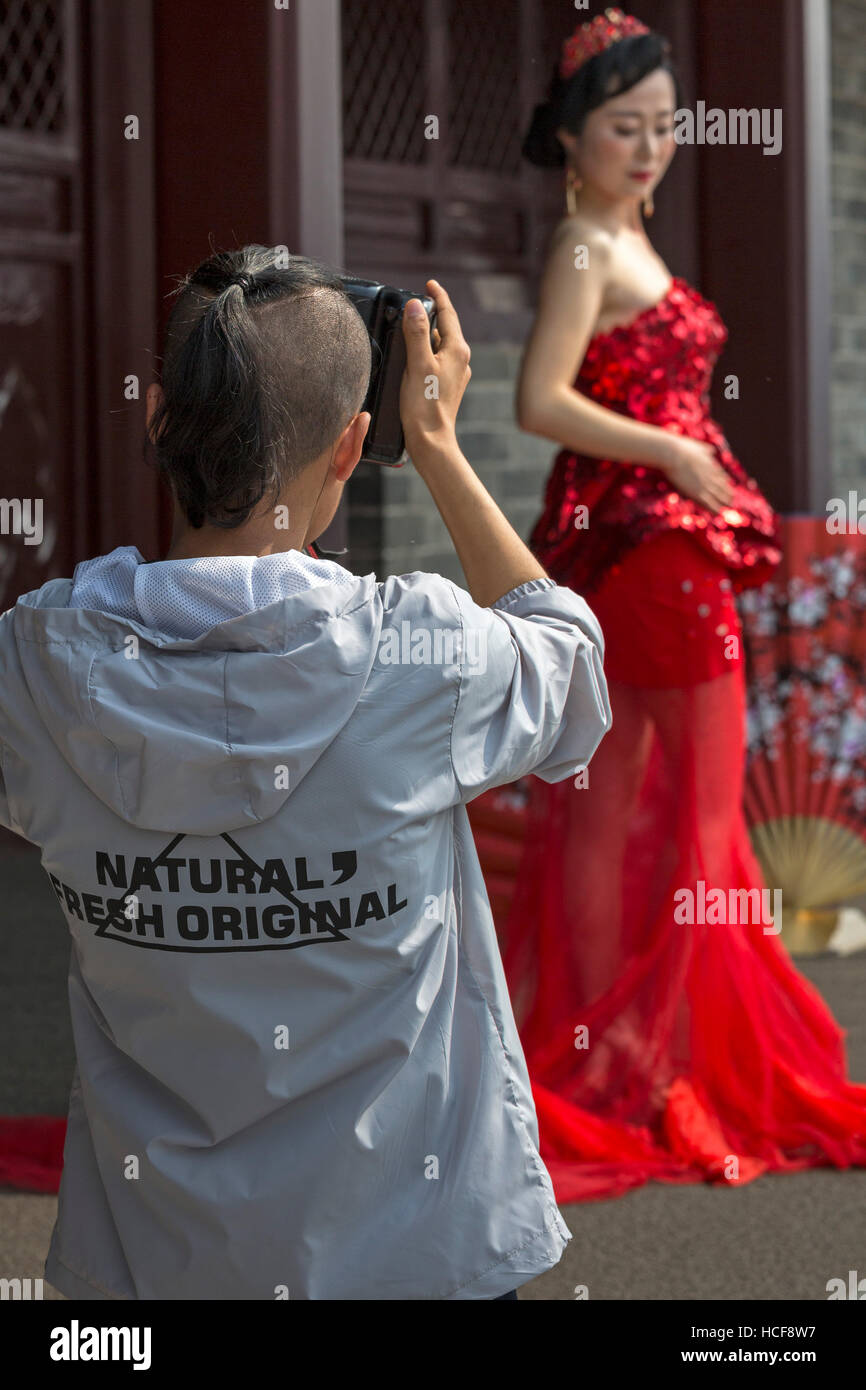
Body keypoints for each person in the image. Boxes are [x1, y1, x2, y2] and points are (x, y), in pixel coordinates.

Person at [0, 246, 612, 1299]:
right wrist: (437, 449)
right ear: (348, 449)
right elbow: (569, 669)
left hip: (156, 1268)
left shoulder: (34, 668)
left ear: (156, 419)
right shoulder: (420, 659)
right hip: (420, 1251)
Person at [487, 8, 866, 1203]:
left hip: (641, 554)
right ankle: (661, 1075)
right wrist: (667, 447)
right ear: (569, 134)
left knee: (616, 819)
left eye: (662, 125)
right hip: (655, 560)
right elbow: (536, 401)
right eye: (622, 127)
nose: (647, 147)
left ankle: (620, 1066)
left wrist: (667, 455)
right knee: (692, 830)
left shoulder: (613, 234)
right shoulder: (584, 250)